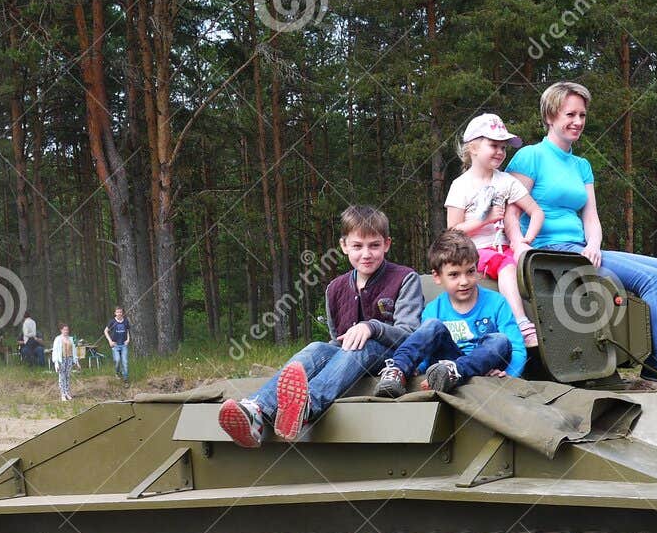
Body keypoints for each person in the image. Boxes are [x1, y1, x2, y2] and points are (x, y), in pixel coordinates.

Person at [508, 80, 657, 383]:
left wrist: (593, 244)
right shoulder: (531, 156)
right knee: (651, 279)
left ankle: (653, 364)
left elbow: (591, 215)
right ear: (550, 116)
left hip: (579, 248)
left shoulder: (581, 165)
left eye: (582, 115)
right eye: (570, 114)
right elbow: (510, 211)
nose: (577, 122)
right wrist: (519, 247)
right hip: (550, 253)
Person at [218, 205, 422, 446]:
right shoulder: (335, 288)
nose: (366, 253)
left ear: (387, 244)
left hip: (391, 357)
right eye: (357, 246)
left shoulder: (405, 278)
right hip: (349, 356)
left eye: (374, 245)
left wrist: (372, 327)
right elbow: (337, 339)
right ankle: (256, 410)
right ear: (344, 245)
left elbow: (410, 335)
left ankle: (306, 405)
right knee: (317, 348)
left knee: (361, 346)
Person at [376, 229, 526, 396]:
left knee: (500, 340)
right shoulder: (434, 308)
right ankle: (398, 370)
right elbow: (426, 349)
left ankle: (454, 372)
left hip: (482, 364)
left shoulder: (497, 302)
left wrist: (510, 375)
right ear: (438, 277)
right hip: (444, 362)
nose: (464, 281)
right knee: (432, 326)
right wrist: (420, 368)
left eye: (470, 271)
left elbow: (517, 348)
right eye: (454, 275)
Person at [445, 113, 545, 347]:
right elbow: (453, 232)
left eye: (503, 147)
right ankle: (522, 323)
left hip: (506, 248)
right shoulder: (461, 185)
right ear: (473, 148)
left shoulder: (506, 181)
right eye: (494, 145)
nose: (500, 152)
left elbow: (536, 212)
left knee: (531, 262)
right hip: (474, 251)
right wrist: (485, 219)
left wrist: (526, 239)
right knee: (506, 266)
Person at [51, 323, 76, 401]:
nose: (66, 331)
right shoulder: (58, 339)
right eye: (64, 330)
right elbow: (55, 351)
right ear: (61, 330)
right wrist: (56, 363)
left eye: (67, 330)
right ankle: (63, 394)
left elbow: (74, 350)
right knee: (62, 377)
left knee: (67, 376)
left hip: (69, 359)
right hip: (61, 360)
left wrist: (76, 361)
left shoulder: (71, 339)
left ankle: (67, 393)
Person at [104, 306, 130, 380]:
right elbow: (105, 331)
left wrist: (128, 339)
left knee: (125, 362)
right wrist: (110, 341)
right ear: (115, 313)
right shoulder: (112, 321)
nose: (119, 313)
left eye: (121, 312)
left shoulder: (125, 321)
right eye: (118, 312)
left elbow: (127, 330)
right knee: (117, 360)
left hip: (124, 345)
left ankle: (125, 379)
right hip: (115, 345)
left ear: (122, 313)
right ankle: (117, 373)